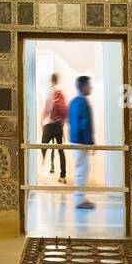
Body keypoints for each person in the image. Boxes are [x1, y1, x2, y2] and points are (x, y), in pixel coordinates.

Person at [67, 75, 95, 210]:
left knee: (81, 169)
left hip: (74, 140)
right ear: (83, 87)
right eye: (89, 85)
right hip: (81, 142)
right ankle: (79, 201)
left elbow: (71, 122)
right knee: (82, 170)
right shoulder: (82, 102)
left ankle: (81, 198)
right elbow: (84, 124)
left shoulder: (73, 102)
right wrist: (90, 142)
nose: (91, 87)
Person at [40, 73, 67, 181]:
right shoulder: (60, 92)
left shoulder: (49, 91)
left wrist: (41, 119)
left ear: (51, 80)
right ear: (57, 80)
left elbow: (47, 108)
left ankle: (40, 171)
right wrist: (62, 124)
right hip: (58, 126)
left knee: (42, 147)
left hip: (49, 125)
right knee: (60, 150)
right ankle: (63, 176)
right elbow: (64, 111)